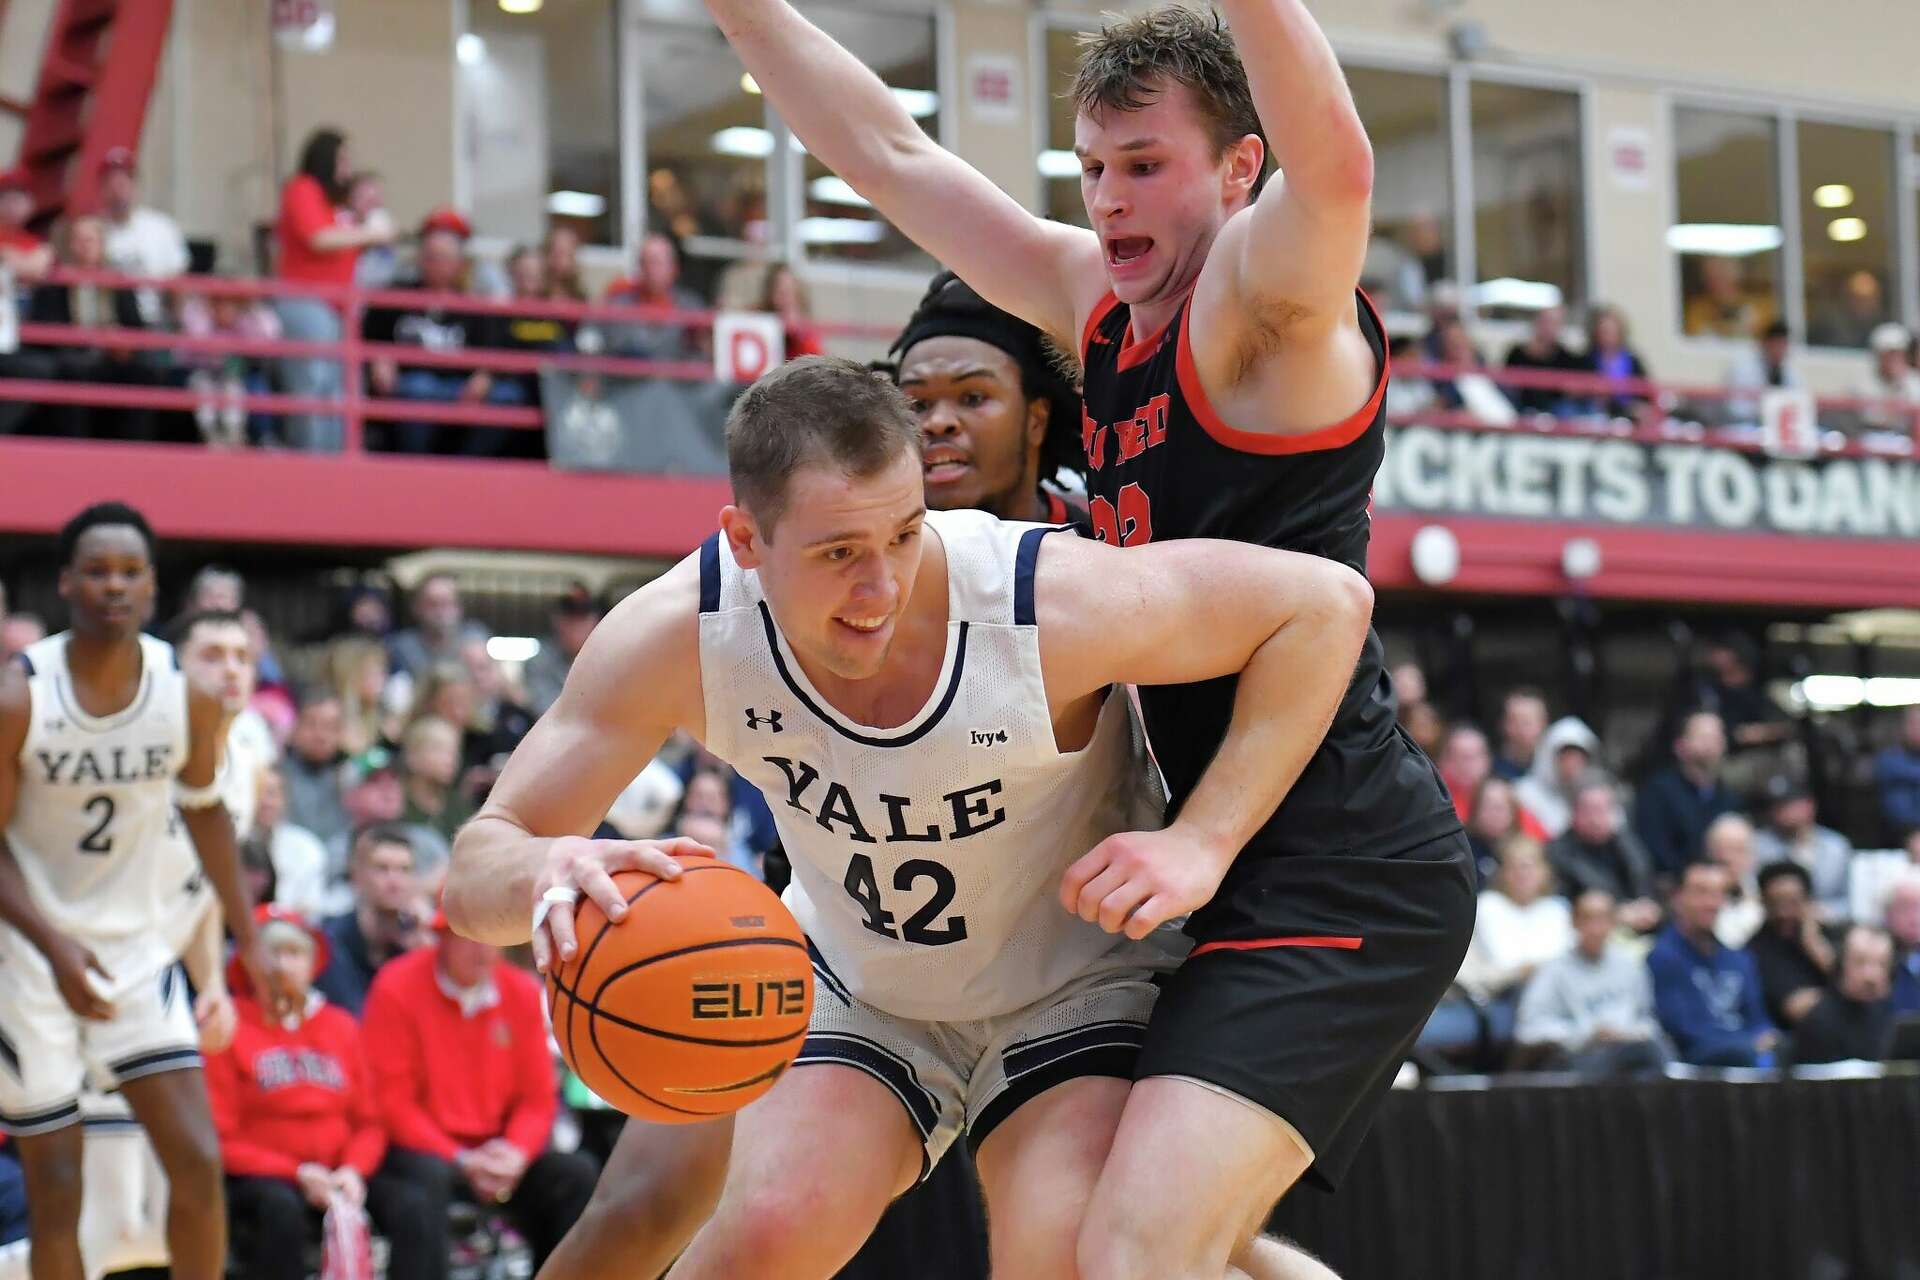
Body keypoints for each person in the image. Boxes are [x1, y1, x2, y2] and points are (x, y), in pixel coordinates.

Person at [705, 6, 1476, 1268]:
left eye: (1146, 165)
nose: (1109, 201)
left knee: (1127, 1254)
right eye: (1093, 168)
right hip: (1212, 868)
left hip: (1341, 864)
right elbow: (891, 155)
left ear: (1240, 169)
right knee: (1151, 1246)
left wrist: (1201, 838)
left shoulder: (1266, 305)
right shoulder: (1098, 305)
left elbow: (1338, 163)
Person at [443, 356, 1377, 1280]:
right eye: (839, 552)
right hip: (866, 985)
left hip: (1076, 976)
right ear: (745, 541)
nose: (880, 586)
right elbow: (476, 872)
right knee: (764, 1233)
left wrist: (1203, 840)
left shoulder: (1038, 601)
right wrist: (548, 869)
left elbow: (1322, 605)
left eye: (902, 534)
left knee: (1063, 1250)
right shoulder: (675, 636)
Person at [0, 502, 270, 1280]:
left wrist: (246, 940)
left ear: (152, 587)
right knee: (57, 1187)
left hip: (133, 950)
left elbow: (208, 813)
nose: (113, 587)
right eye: (97, 572)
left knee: (196, 1164)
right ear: (65, 584)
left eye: (129, 572)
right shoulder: (20, 698)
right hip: (28, 956)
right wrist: (53, 947)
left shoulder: (183, 695)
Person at [361, 914, 599, 1278]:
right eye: (471, 937)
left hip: (499, 1153)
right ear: (443, 937)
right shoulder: (396, 986)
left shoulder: (520, 991)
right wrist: (460, 1158)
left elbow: (537, 1098)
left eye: (493, 938)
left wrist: (515, 1153)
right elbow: (392, 1102)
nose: (484, 950)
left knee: (576, 1175)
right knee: (424, 1184)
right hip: (427, 1153)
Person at [208, 906, 437, 1280]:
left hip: (338, 1173)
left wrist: (352, 1170)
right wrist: (295, 1172)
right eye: (272, 953)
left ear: (314, 963)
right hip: (267, 1178)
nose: (282, 965)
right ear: (249, 963)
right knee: (279, 1210)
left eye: (294, 953)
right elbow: (221, 1138)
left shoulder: (340, 1026)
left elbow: (370, 1122)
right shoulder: (228, 1027)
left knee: (413, 1206)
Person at [891, 269, 1086, 524]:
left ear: (1036, 419)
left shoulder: (1106, 550)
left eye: (973, 398)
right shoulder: (862, 555)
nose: (938, 422)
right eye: (918, 404)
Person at [275, 128, 396, 452]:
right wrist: (369, 233)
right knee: (311, 386)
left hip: (337, 309)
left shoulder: (334, 205)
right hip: (306, 302)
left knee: (339, 392)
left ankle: (336, 462)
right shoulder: (302, 189)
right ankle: (310, 462)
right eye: (342, 158)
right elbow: (319, 238)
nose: (348, 167)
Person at [1513, 890, 1668, 1079]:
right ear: (1574, 923)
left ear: (1613, 923)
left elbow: (1648, 1020)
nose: (1595, 928)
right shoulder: (1553, 970)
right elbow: (1528, 1031)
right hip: (1576, 1058)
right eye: (1588, 919)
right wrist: (1587, 1034)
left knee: (1655, 1052)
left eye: (1602, 919)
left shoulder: (1629, 965)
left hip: (1629, 1049)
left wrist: (1626, 1033)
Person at [1647, 863, 1779, 1068]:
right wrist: (1750, 1044)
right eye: (1701, 892)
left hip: (1746, 1051)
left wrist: (1767, 1037)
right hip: (1697, 1062)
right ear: (1677, 898)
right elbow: (1684, 1029)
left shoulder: (1740, 959)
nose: (1711, 903)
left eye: (1719, 894)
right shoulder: (1663, 956)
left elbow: (1758, 1019)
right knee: (1746, 1056)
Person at [315, 825, 430, 1017]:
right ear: (357, 876)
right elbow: (355, 1018)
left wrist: (423, 955)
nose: (395, 881)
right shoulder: (330, 943)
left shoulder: (418, 940)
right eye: (382, 869)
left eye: (404, 870)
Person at [1545, 776, 1660, 933]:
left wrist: (1650, 908)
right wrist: (1616, 914)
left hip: (1639, 929)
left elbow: (1646, 885)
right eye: (1588, 810)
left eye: (1602, 809)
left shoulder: (1628, 843)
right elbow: (1561, 907)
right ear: (1574, 812)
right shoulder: (1557, 853)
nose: (1595, 819)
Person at [1633, 709, 1740, 879]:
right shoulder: (1658, 792)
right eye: (1703, 737)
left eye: (1717, 737)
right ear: (1680, 746)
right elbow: (1654, 852)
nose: (1711, 744)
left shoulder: (1729, 797)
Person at [95, 148, 188, 330]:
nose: (118, 189)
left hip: (152, 321)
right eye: (111, 182)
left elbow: (178, 282)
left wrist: (179, 328)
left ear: (135, 184)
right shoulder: (92, 229)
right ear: (102, 188)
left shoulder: (162, 227)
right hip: (105, 322)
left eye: (124, 181)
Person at [1745, 861, 1837, 1031]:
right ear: (1762, 903)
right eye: (1775, 903)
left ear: (1808, 901)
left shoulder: (1832, 933)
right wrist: (1851, 996)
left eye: (1792, 902)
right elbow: (1797, 1009)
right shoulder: (1755, 950)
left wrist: (1815, 946)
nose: (1784, 913)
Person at [1751, 774, 1852, 923]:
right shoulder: (1758, 844)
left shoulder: (1836, 846)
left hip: (1828, 923)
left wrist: (1824, 911)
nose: (1781, 812)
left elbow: (1851, 901)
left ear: (1809, 805)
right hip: (1775, 923)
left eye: (1788, 804)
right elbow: (1752, 894)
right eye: (1776, 806)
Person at [1790, 926, 1898, 1065]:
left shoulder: (1889, 1016)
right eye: (1860, 962)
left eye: (1881, 964)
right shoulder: (1818, 1020)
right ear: (1842, 964)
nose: (1871, 975)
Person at [387, 572, 490, 687]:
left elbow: (497, 685)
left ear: (459, 607)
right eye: (433, 604)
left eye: (447, 603)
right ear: (416, 607)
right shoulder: (401, 648)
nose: (440, 612)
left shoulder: (474, 637)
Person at [1514, 716, 1602, 840]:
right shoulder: (1524, 794)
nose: (1573, 764)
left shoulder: (1598, 797)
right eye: (1566, 756)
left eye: (1579, 757)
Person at [524, 584, 602, 719]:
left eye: (582, 620)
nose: (576, 627)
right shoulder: (540, 661)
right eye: (570, 620)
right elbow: (546, 711)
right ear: (557, 621)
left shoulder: (607, 659)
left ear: (594, 622)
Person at [1706, 814, 1764, 949]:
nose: (1727, 857)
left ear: (1752, 856)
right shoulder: (1697, 899)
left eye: (1738, 850)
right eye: (1720, 849)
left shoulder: (1765, 897)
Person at [1872, 705, 1920, 847]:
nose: (1918, 729)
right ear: (1903, 727)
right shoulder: (1889, 760)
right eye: (1914, 723)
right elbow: (1896, 808)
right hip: (1898, 838)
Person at [1436, 724, 1492, 826]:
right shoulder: (1432, 798)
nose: (1463, 765)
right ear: (1442, 760)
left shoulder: (1503, 799)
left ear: (1487, 761)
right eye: (1456, 757)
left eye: (1471, 758)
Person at [1492, 687, 1549, 782]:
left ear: (1544, 724)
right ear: (1502, 724)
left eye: (1527, 722)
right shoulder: (1489, 769)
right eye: (1513, 721)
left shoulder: (1556, 768)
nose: (1520, 729)